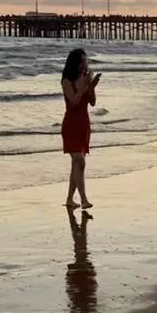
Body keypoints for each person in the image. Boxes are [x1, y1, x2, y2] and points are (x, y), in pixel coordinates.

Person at [61, 48, 99, 210]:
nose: (84, 65)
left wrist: (92, 87)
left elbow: (92, 102)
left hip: (84, 123)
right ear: (75, 63)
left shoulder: (83, 79)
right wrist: (83, 87)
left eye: (86, 61)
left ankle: (70, 199)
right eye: (82, 62)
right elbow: (74, 101)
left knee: (76, 164)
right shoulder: (67, 81)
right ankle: (83, 199)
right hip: (71, 124)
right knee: (80, 161)